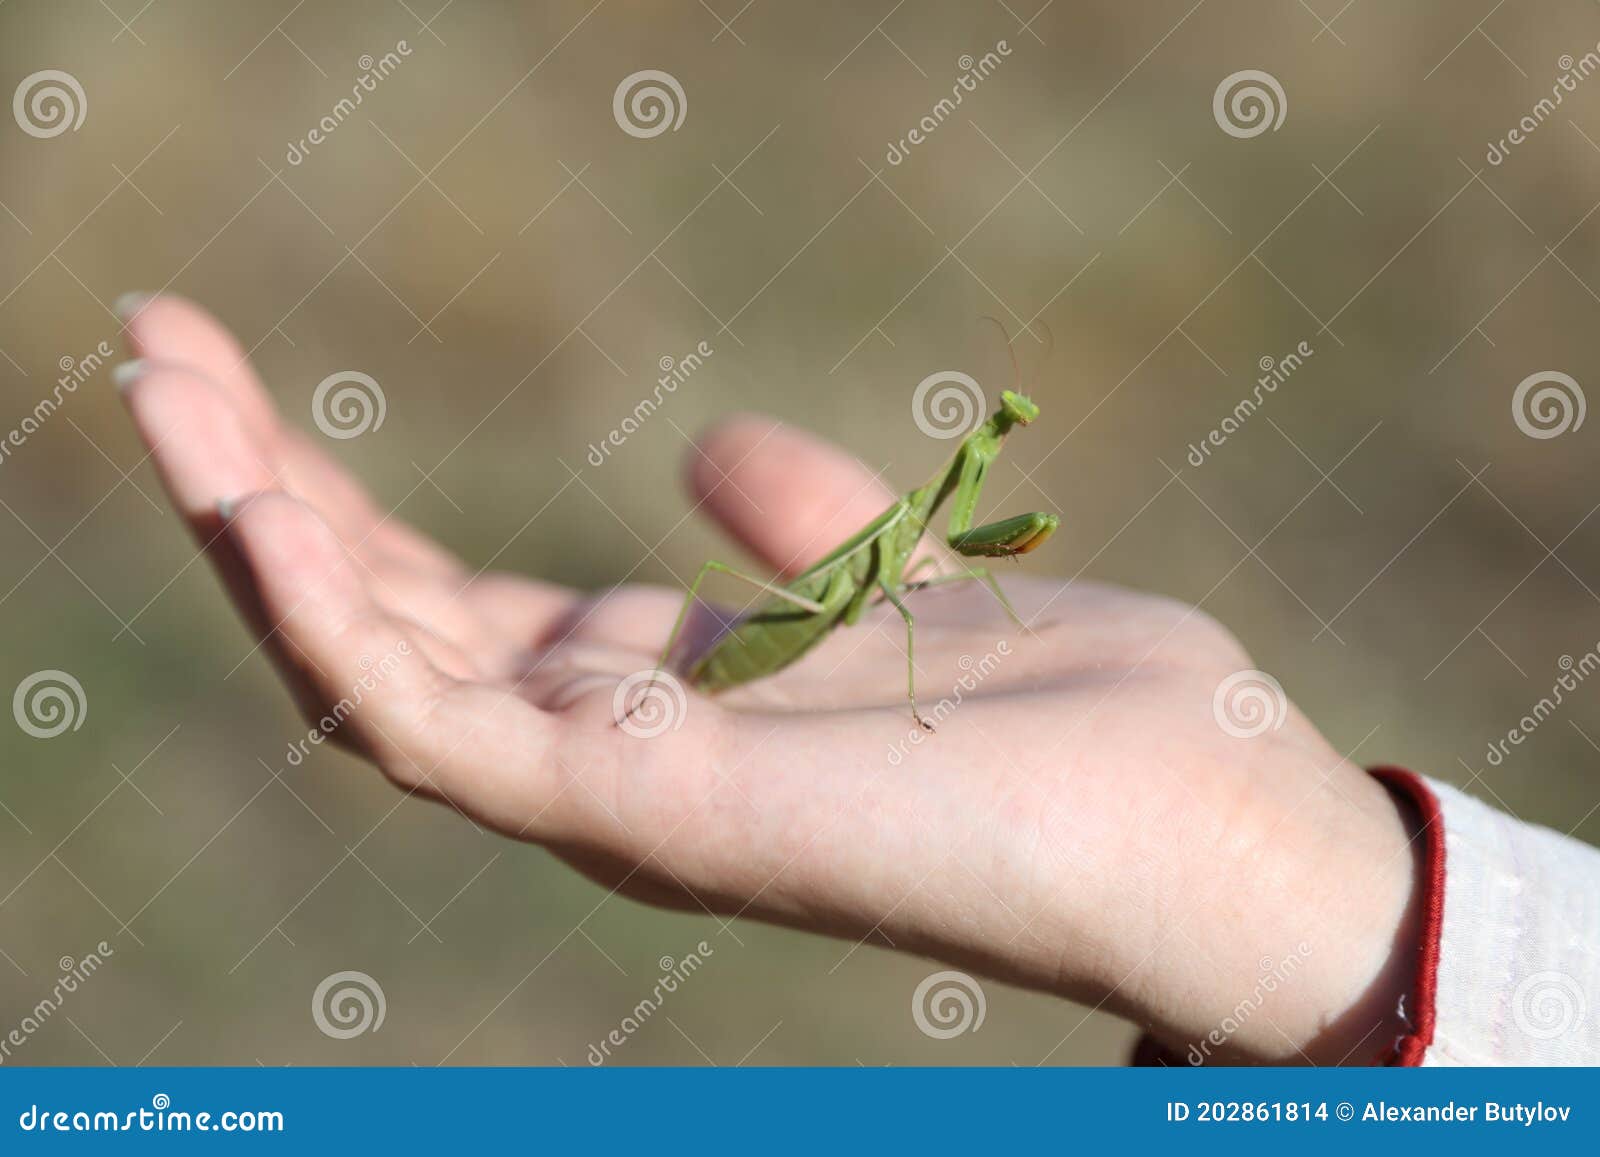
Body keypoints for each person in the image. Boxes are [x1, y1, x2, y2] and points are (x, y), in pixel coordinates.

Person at [112, 294, 1598, 1066]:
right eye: (1002, 416)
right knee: (755, 597)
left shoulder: (951, 516)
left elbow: (958, 554)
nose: (1008, 427)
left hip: (824, 617)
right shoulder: (913, 531)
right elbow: (906, 584)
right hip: (776, 632)